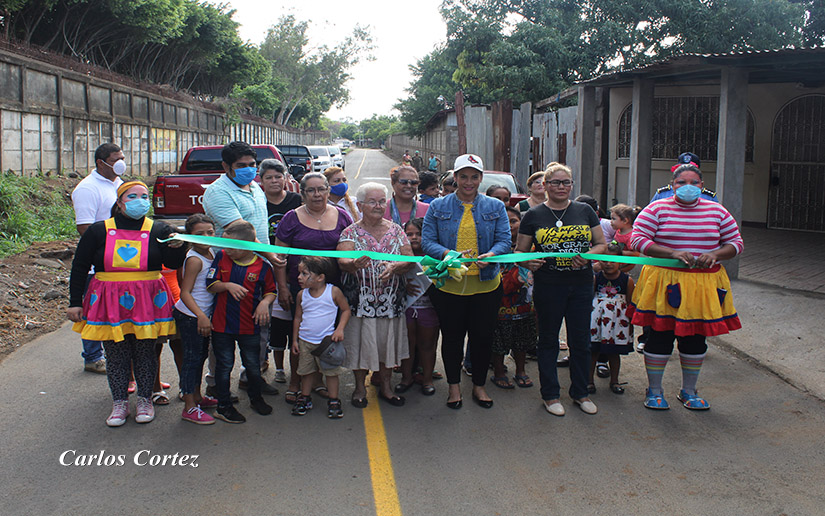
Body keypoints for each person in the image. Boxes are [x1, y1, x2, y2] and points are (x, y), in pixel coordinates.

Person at [67, 180, 186, 427]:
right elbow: (79, 267)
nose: (139, 201)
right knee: (116, 353)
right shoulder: (99, 231)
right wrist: (74, 302)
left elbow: (172, 264)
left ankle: (145, 399)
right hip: (109, 301)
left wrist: (178, 246)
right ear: (119, 202)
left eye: (144, 196)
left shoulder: (160, 230)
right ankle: (119, 402)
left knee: (145, 351)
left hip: (149, 299)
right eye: (132, 196)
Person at [630, 163, 743, 411]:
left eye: (694, 183)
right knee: (660, 336)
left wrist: (715, 253)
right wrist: (671, 252)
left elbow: (735, 243)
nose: (688, 187)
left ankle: (689, 391)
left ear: (702, 186)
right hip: (665, 282)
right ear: (672, 185)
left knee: (695, 338)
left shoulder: (717, 211)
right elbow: (637, 239)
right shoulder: (657, 209)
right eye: (681, 182)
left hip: (702, 285)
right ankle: (655, 391)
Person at [517, 162, 607, 417]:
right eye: (555, 182)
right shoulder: (533, 215)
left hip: (580, 284)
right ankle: (550, 394)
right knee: (548, 340)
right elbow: (519, 252)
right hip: (548, 285)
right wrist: (527, 261)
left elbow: (601, 243)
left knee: (580, 340)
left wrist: (587, 255)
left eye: (566, 182)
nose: (561, 187)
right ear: (544, 186)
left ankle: (580, 392)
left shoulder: (584, 210)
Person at [422, 154, 511, 409]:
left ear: (481, 179)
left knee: (482, 338)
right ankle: (453, 388)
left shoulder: (495, 206)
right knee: (451, 338)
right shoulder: (438, 207)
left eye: (474, 177)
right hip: (449, 286)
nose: (468, 182)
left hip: (486, 285)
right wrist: (447, 255)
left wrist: (493, 254)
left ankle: (479, 387)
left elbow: (505, 240)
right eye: (463, 176)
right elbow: (428, 241)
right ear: (455, 178)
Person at [202, 141, 283, 396]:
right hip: (229, 269)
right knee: (223, 330)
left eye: (252, 165)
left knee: (259, 326)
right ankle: (216, 383)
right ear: (226, 166)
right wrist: (272, 255)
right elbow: (242, 233)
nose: (249, 170)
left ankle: (253, 377)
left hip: (258, 267)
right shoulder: (217, 193)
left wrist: (269, 260)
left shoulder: (255, 188)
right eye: (241, 166)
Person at [275, 172, 353, 403]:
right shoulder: (291, 218)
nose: (317, 194)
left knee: (325, 336)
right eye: (311, 190)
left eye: (322, 189)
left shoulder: (342, 216)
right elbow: (280, 256)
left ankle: (318, 380)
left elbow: (350, 248)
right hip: (300, 289)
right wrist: (282, 287)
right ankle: (295, 382)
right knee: (300, 335)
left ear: (329, 191)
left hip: (333, 291)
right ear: (303, 192)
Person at [338, 182, 414, 407]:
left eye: (382, 201)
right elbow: (342, 260)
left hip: (391, 303)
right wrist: (353, 263)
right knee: (361, 346)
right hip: (361, 304)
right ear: (360, 204)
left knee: (387, 346)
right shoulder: (350, 231)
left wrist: (395, 267)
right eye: (372, 201)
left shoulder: (396, 229)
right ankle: (360, 388)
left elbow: (408, 258)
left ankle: (387, 387)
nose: (378, 206)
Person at [206, 220, 277, 423]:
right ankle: (223, 406)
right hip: (222, 326)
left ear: (247, 246)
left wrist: (265, 302)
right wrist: (227, 285)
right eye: (225, 245)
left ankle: (256, 398)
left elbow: (272, 291)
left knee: (253, 366)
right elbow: (210, 284)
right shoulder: (221, 258)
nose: (227, 250)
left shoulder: (263, 266)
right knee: (224, 366)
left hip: (250, 326)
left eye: (232, 246)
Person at [71, 142, 126, 374]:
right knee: (93, 309)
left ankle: (116, 349)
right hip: (99, 260)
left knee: (114, 307)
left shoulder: (119, 184)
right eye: (115, 160)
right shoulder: (87, 189)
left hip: (122, 257)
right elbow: (85, 228)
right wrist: (108, 249)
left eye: (122, 158)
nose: (121, 163)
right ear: (100, 163)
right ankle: (93, 357)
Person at [291, 256, 352, 418]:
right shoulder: (301, 295)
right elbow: (298, 317)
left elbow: (346, 310)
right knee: (306, 372)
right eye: (300, 273)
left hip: (327, 343)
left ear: (320, 277)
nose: (299, 277)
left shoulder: (333, 292)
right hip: (305, 342)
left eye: (305, 274)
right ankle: (305, 397)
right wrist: (295, 340)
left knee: (331, 373)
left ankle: (334, 400)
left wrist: (339, 329)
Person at [172, 214, 219, 424]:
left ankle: (198, 397)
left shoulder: (211, 252)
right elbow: (185, 293)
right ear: (190, 237)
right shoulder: (194, 259)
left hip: (202, 315)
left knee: (200, 357)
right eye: (200, 234)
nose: (206, 236)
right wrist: (201, 316)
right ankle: (189, 406)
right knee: (191, 359)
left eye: (210, 232)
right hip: (191, 316)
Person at [261, 158, 302, 384]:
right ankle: (264, 359)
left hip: (291, 266)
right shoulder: (257, 201)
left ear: (286, 178)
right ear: (262, 181)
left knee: (288, 317)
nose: (275, 181)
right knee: (266, 317)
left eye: (279, 176)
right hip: (262, 265)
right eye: (269, 177)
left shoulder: (296, 200)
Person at [490, 206, 536, 390]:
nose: (509, 226)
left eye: (513, 221)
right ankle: (499, 372)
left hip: (524, 303)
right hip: (498, 302)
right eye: (504, 221)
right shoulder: (492, 246)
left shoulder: (531, 246)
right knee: (499, 339)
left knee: (522, 339)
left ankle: (521, 371)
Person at [396, 218, 439, 396]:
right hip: (407, 308)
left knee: (427, 345)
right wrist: (403, 285)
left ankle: (427, 378)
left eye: (419, 234)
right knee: (407, 344)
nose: (414, 238)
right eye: (410, 234)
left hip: (429, 308)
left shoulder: (435, 256)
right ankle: (406, 378)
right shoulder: (398, 255)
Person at [588, 242, 635, 395]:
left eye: (612, 261)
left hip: (617, 322)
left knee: (614, 352)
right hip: (597, 321)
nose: (608, 264)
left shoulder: (627, 280)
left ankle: (614, 381)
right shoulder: (596, 278)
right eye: (604, 260)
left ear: (620, 262)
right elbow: (591, 297)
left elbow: (629, 302)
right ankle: (589, 381)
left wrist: (629, 323)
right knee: (593, 351)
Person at [650, 153, 718, 203]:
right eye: (682, 169)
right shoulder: (662, 194)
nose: (686, 172)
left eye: (691, 169)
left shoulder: (709, 197)